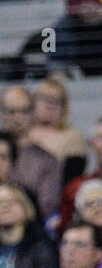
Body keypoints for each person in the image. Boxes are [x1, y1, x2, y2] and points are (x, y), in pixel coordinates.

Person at [0, 86, 60, 217]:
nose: (18, 118)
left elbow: (46, 207)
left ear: (33, 113)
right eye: (12, 111)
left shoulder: (47, 160)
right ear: (2, 114)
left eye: (24, 111)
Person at [25, 79, 87, 183]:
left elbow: (73, 179)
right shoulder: (22, 133)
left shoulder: (73, 136)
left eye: (56, 101)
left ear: (64, 107)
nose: (50, 106)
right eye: (45, 99)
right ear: (34, 102)